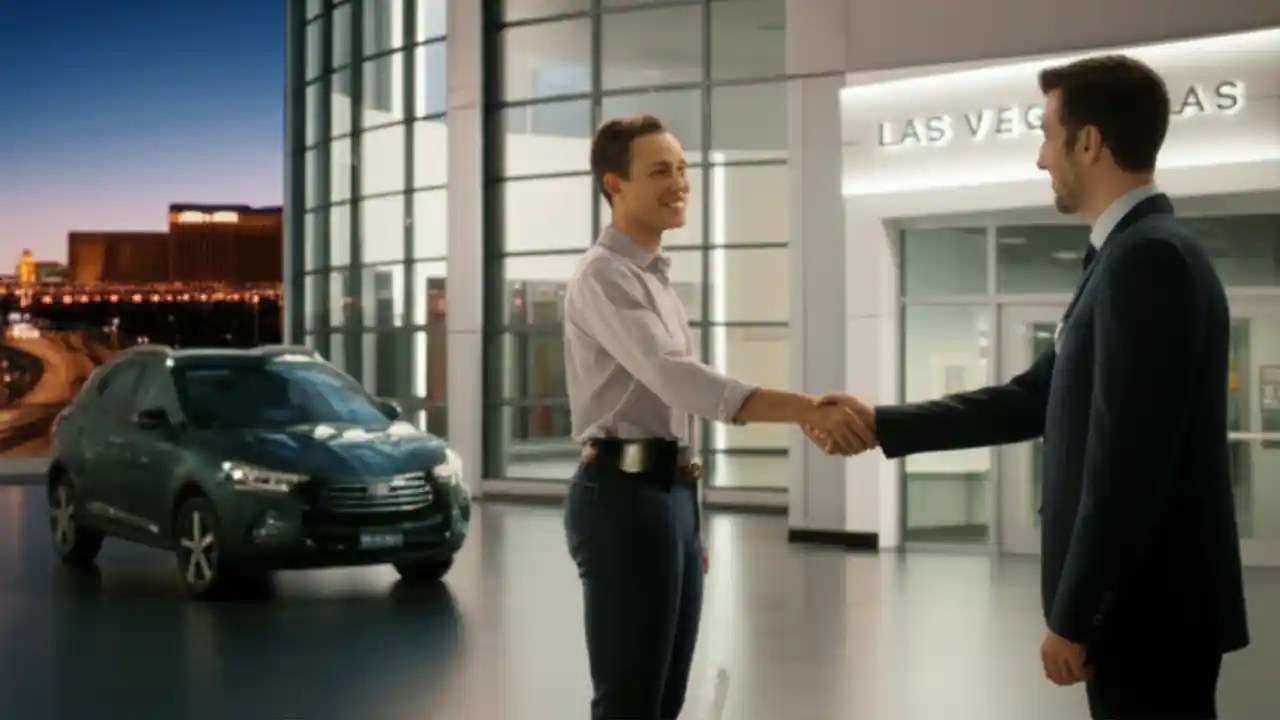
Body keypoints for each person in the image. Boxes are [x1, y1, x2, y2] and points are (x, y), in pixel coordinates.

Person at [812, 55, 1249, 719]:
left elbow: (1127, 467)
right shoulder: (1125, 255)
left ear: (1089, 142)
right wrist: (881, 421)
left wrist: (1076, 614)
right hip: (1150, 608)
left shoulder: (1148, 261)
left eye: (1047, 135)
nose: (1041, 158)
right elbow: (1031, 399)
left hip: (1149, 613)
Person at [563, 114, 875, 720]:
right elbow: (676, 378)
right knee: (630, 701)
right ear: (614, 185)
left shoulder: (656, 279)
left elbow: (676, 410)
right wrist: (804, 408)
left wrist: (692, 522)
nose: (679, 183)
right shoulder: (604, 276)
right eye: (659, 171)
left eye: (683, 169)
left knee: (666, 696)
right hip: (622, 500)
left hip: (668, 496)